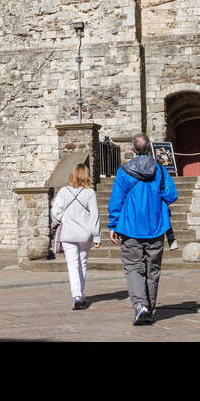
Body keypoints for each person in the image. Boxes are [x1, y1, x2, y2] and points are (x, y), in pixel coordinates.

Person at [108, 132, 178, 325]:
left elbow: (116, 199)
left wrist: (113, 224)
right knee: (152, 269)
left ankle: (141, 306)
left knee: (133, 268)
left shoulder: (124, 171)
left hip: (130, 227)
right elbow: (171, 196)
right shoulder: (161, 171)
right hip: (155, 226)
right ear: (150, 149)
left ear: (132, 149)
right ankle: (150, 307)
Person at [51, 163, 101, 310]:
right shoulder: (90, 193)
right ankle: (81, 294)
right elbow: (95, 216)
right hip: (85, 234)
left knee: (72, 265)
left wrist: (64, 219)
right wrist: (97, 236)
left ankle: (77, 295)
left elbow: (55, 211)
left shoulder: (63, 191)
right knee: (83, 263)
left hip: (68, 233)